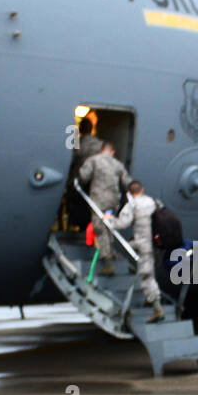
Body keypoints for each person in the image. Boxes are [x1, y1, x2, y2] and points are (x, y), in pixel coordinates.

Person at [107, 180, 165, 322]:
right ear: (142, 189)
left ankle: (157, 308)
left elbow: (122, 223)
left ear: (129, 193)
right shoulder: (152, 202)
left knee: (146, 275)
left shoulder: (132, 205)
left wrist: (109, 220)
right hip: (155, 243)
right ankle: (148, 298)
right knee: (149, 270)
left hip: (143, 244)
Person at [77, 140, 129, 276]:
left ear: (101, 150)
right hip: (113, 201)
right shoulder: (118, 164)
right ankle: (111, 252)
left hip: (99, 200)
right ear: (112, 152)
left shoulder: (94, 160)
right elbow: (127, 183)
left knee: (99, 228)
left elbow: (83, 177)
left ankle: (107, 262)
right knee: (109, 226)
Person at [64, 117, 104, 229]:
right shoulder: (100, 144)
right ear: (92, 129)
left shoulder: (75, 143)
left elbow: (69, 161)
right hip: (94, 182)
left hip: (78, 181)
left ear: (80, 129)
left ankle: (70, 228)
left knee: (75, 209)